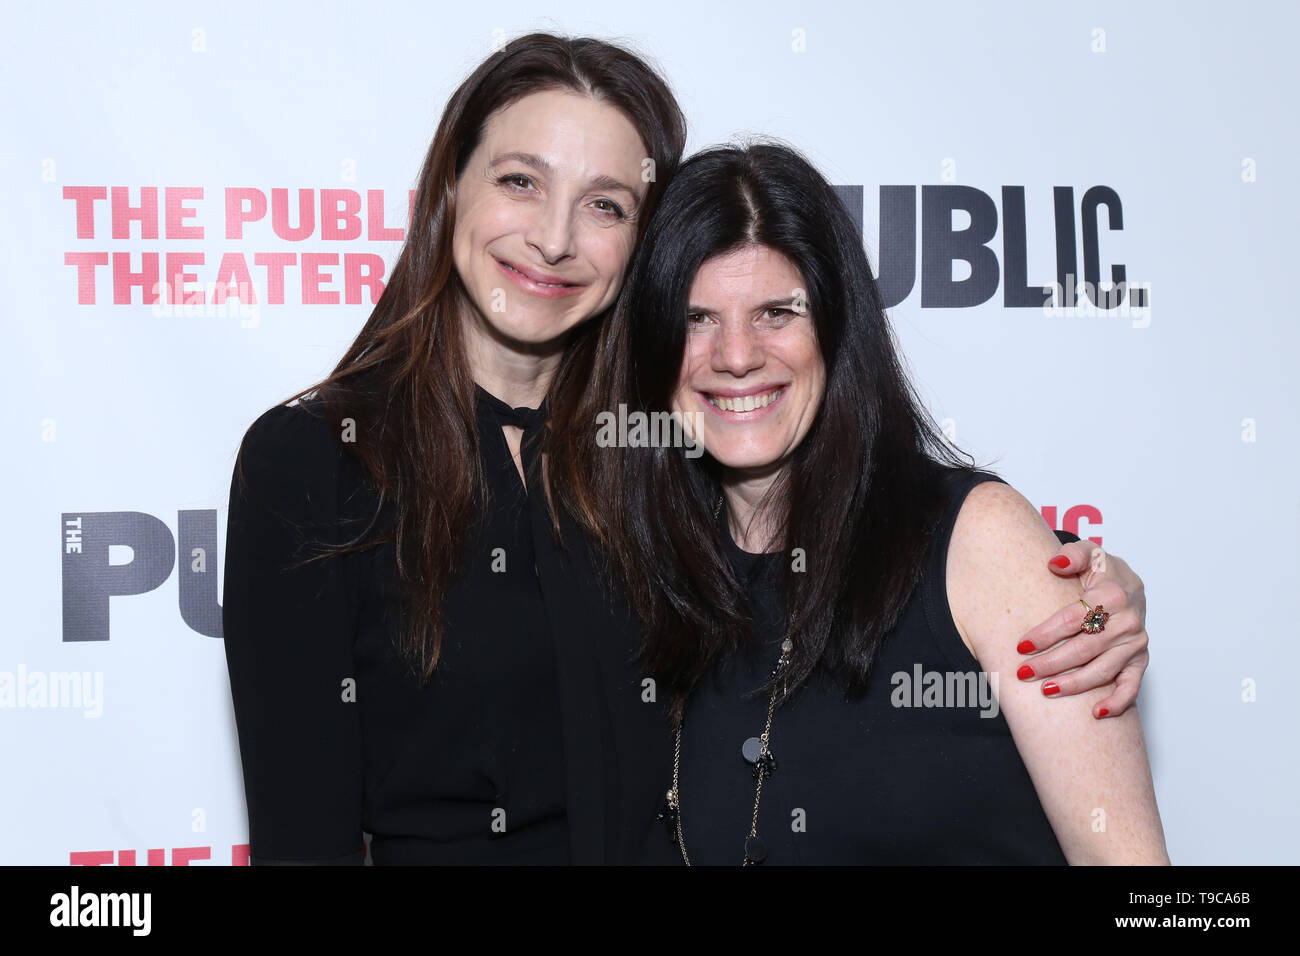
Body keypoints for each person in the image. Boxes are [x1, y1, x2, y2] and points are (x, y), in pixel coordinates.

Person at [223, 33, 1153, 866]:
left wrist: (1076, 591)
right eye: (519, 181)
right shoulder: (312, 466)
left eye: (606, 204)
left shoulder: (657, 465)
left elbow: (871, 551)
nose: (553, 238)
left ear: (642, 244)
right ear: (446, 191)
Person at [575, 141, 1169, 865]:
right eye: (698, 319)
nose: (735, 355)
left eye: (774, 313)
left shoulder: (977, 542)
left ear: (836, 329)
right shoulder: (643, 577)